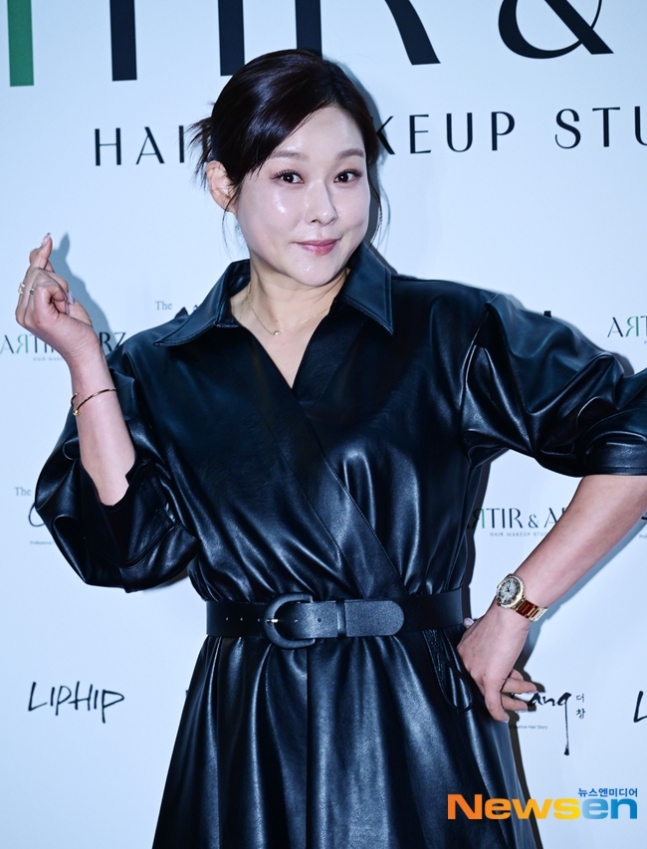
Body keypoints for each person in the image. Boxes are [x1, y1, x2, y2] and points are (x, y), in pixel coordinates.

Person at [16, 49, 647, 849]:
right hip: (249, 729)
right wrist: (85, 361)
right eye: (289, 177)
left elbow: (633, 434)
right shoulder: (159, 365)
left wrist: (514, 610)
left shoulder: (447, 329)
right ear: (223, 184)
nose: (323, 210)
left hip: (417, 715)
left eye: (346, 176)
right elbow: (125, 551)